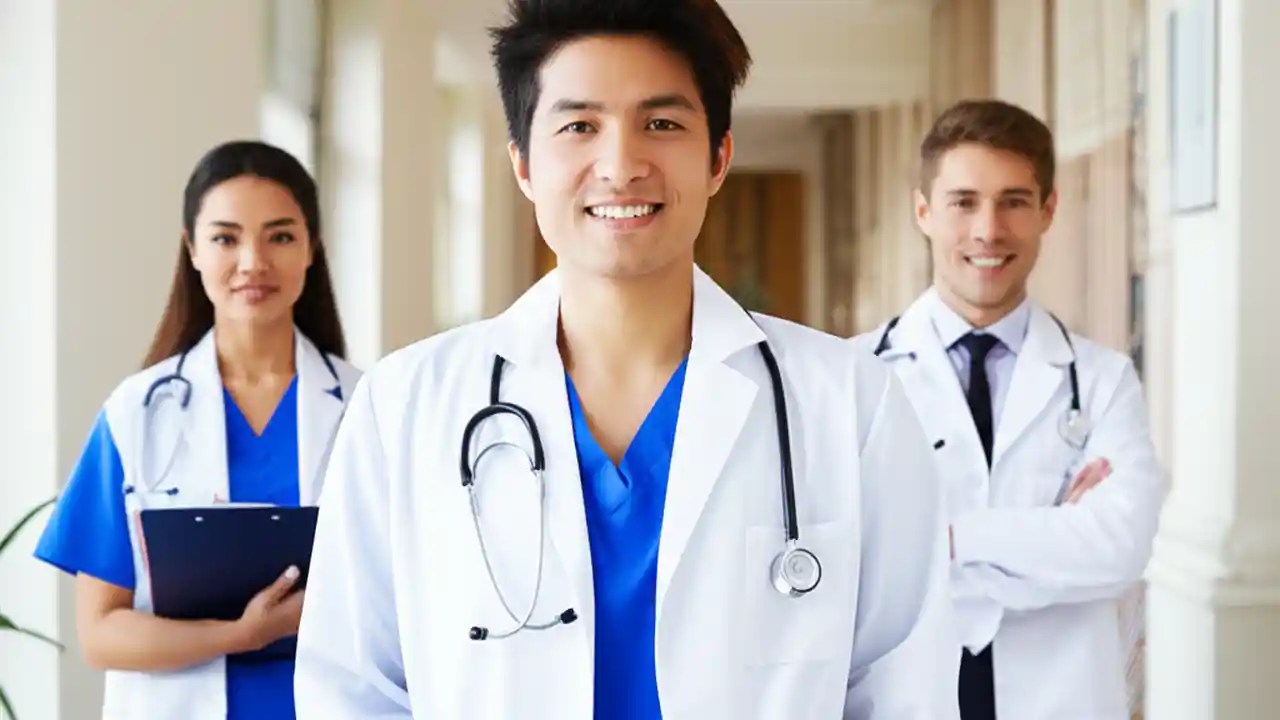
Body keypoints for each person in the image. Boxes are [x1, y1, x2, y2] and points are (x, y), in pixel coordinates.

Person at [293, 1, 950, 718]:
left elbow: (903, 687)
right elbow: (353, 691)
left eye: (662, 124)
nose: (621, 165)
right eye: (579, 126)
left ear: (718, 158)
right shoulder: (406, 405)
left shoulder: (847, 402)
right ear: (523, 164)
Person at [854, 99, 1168, 719]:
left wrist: (946, 538)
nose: (988, 231)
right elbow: (855, 560)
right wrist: (1046, 537)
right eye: (963, 202)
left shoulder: (1103, 380)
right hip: (904, 697)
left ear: (1048, 210)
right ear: (924, 212)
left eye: (1014, 201)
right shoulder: (855, 374)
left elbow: (1119, 546)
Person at [34, 140, 362, 720]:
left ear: (312, 248)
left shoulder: (368, 406)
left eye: (281, 236)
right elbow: (101, 633)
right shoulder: (137, 414)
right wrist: (243, 634)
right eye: (225, 238)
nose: (253, 262)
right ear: (192, 249)